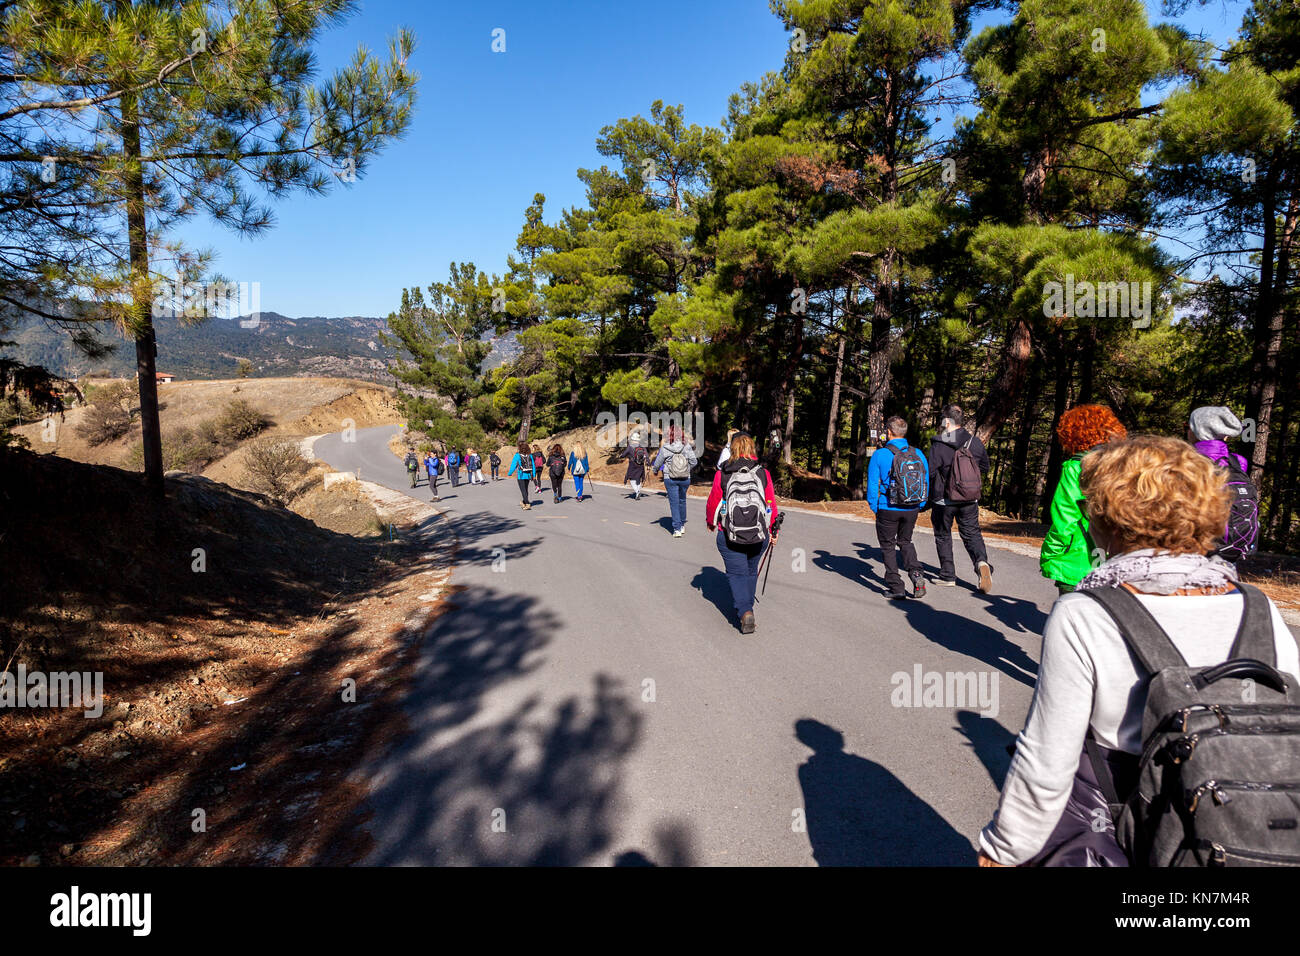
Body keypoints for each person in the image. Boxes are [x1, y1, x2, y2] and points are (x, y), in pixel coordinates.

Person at [977, 436, 1300, 867]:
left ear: (1105, 514)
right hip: (1250, 832)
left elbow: (1047, 756)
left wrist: (1003, 848)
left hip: (1129, 823)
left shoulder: (1086, 613)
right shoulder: (1258, 607)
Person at [1041, 405, 1128, 593]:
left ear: (1074, 434)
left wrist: (1051, 553)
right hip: (1116, 555)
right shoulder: (1122, 466)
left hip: (1079, 559)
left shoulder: (1075, 468)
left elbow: (1065, 518)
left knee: (1071, 615)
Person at [706, 432, 779, 633]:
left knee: (737, 573)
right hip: (758, 533)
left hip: (730, 533)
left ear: (733, 448)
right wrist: (773, 528)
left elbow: (714, 500)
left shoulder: (723, 473)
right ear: (752, 448)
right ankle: (747, 607)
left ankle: (745, 610)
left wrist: (711, 522)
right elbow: (770, 502)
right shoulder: (763, 473)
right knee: (750, 569)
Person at [928, 405, 994, 592]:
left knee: (943, 535)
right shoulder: (974, 442)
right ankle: (981, 562)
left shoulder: (939, 443)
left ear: (947, 422)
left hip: (944, 500)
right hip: (969, 499)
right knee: (972, 533)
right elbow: (984, 468)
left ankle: (948, 575)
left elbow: (931, 472)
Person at [866, 416, 930, 600]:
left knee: (887, 546)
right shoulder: (918, 453)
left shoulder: (880, 454)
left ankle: (896, 587)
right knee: (906, 541)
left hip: (888, 506)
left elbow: (872, 485)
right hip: (912, 507)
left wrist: (875, 506)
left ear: (888, 432)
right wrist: (921, 504)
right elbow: (925, 481)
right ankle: (916, 574)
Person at [1187, 406, 1259, 564]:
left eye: (1189, 427)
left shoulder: (1186, 461)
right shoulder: (1238, 462)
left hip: (1194, 548)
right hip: (1228, 549)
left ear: (1197, 431)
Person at [652, 423, 698, 537]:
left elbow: (658, 463)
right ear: (681, 434)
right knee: (682, 500)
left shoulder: (665, 447)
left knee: (674, 503)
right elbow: (694, 461)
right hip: (685, 478)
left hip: (670, 478)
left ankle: (677, 529)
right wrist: (686, 469)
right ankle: (682, 525)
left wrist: (655, 470)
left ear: (669, 435)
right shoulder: (687, 446)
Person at [507, 441, 536, 510]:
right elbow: (533, 466)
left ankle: (527, 503)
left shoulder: (517, 455)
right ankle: (523, 502)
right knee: (525, 490)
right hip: (528, 475)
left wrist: (510, 473)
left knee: (523, 490)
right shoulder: (530, 455)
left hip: (521, 475)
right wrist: (534, 475)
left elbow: (513, 465)